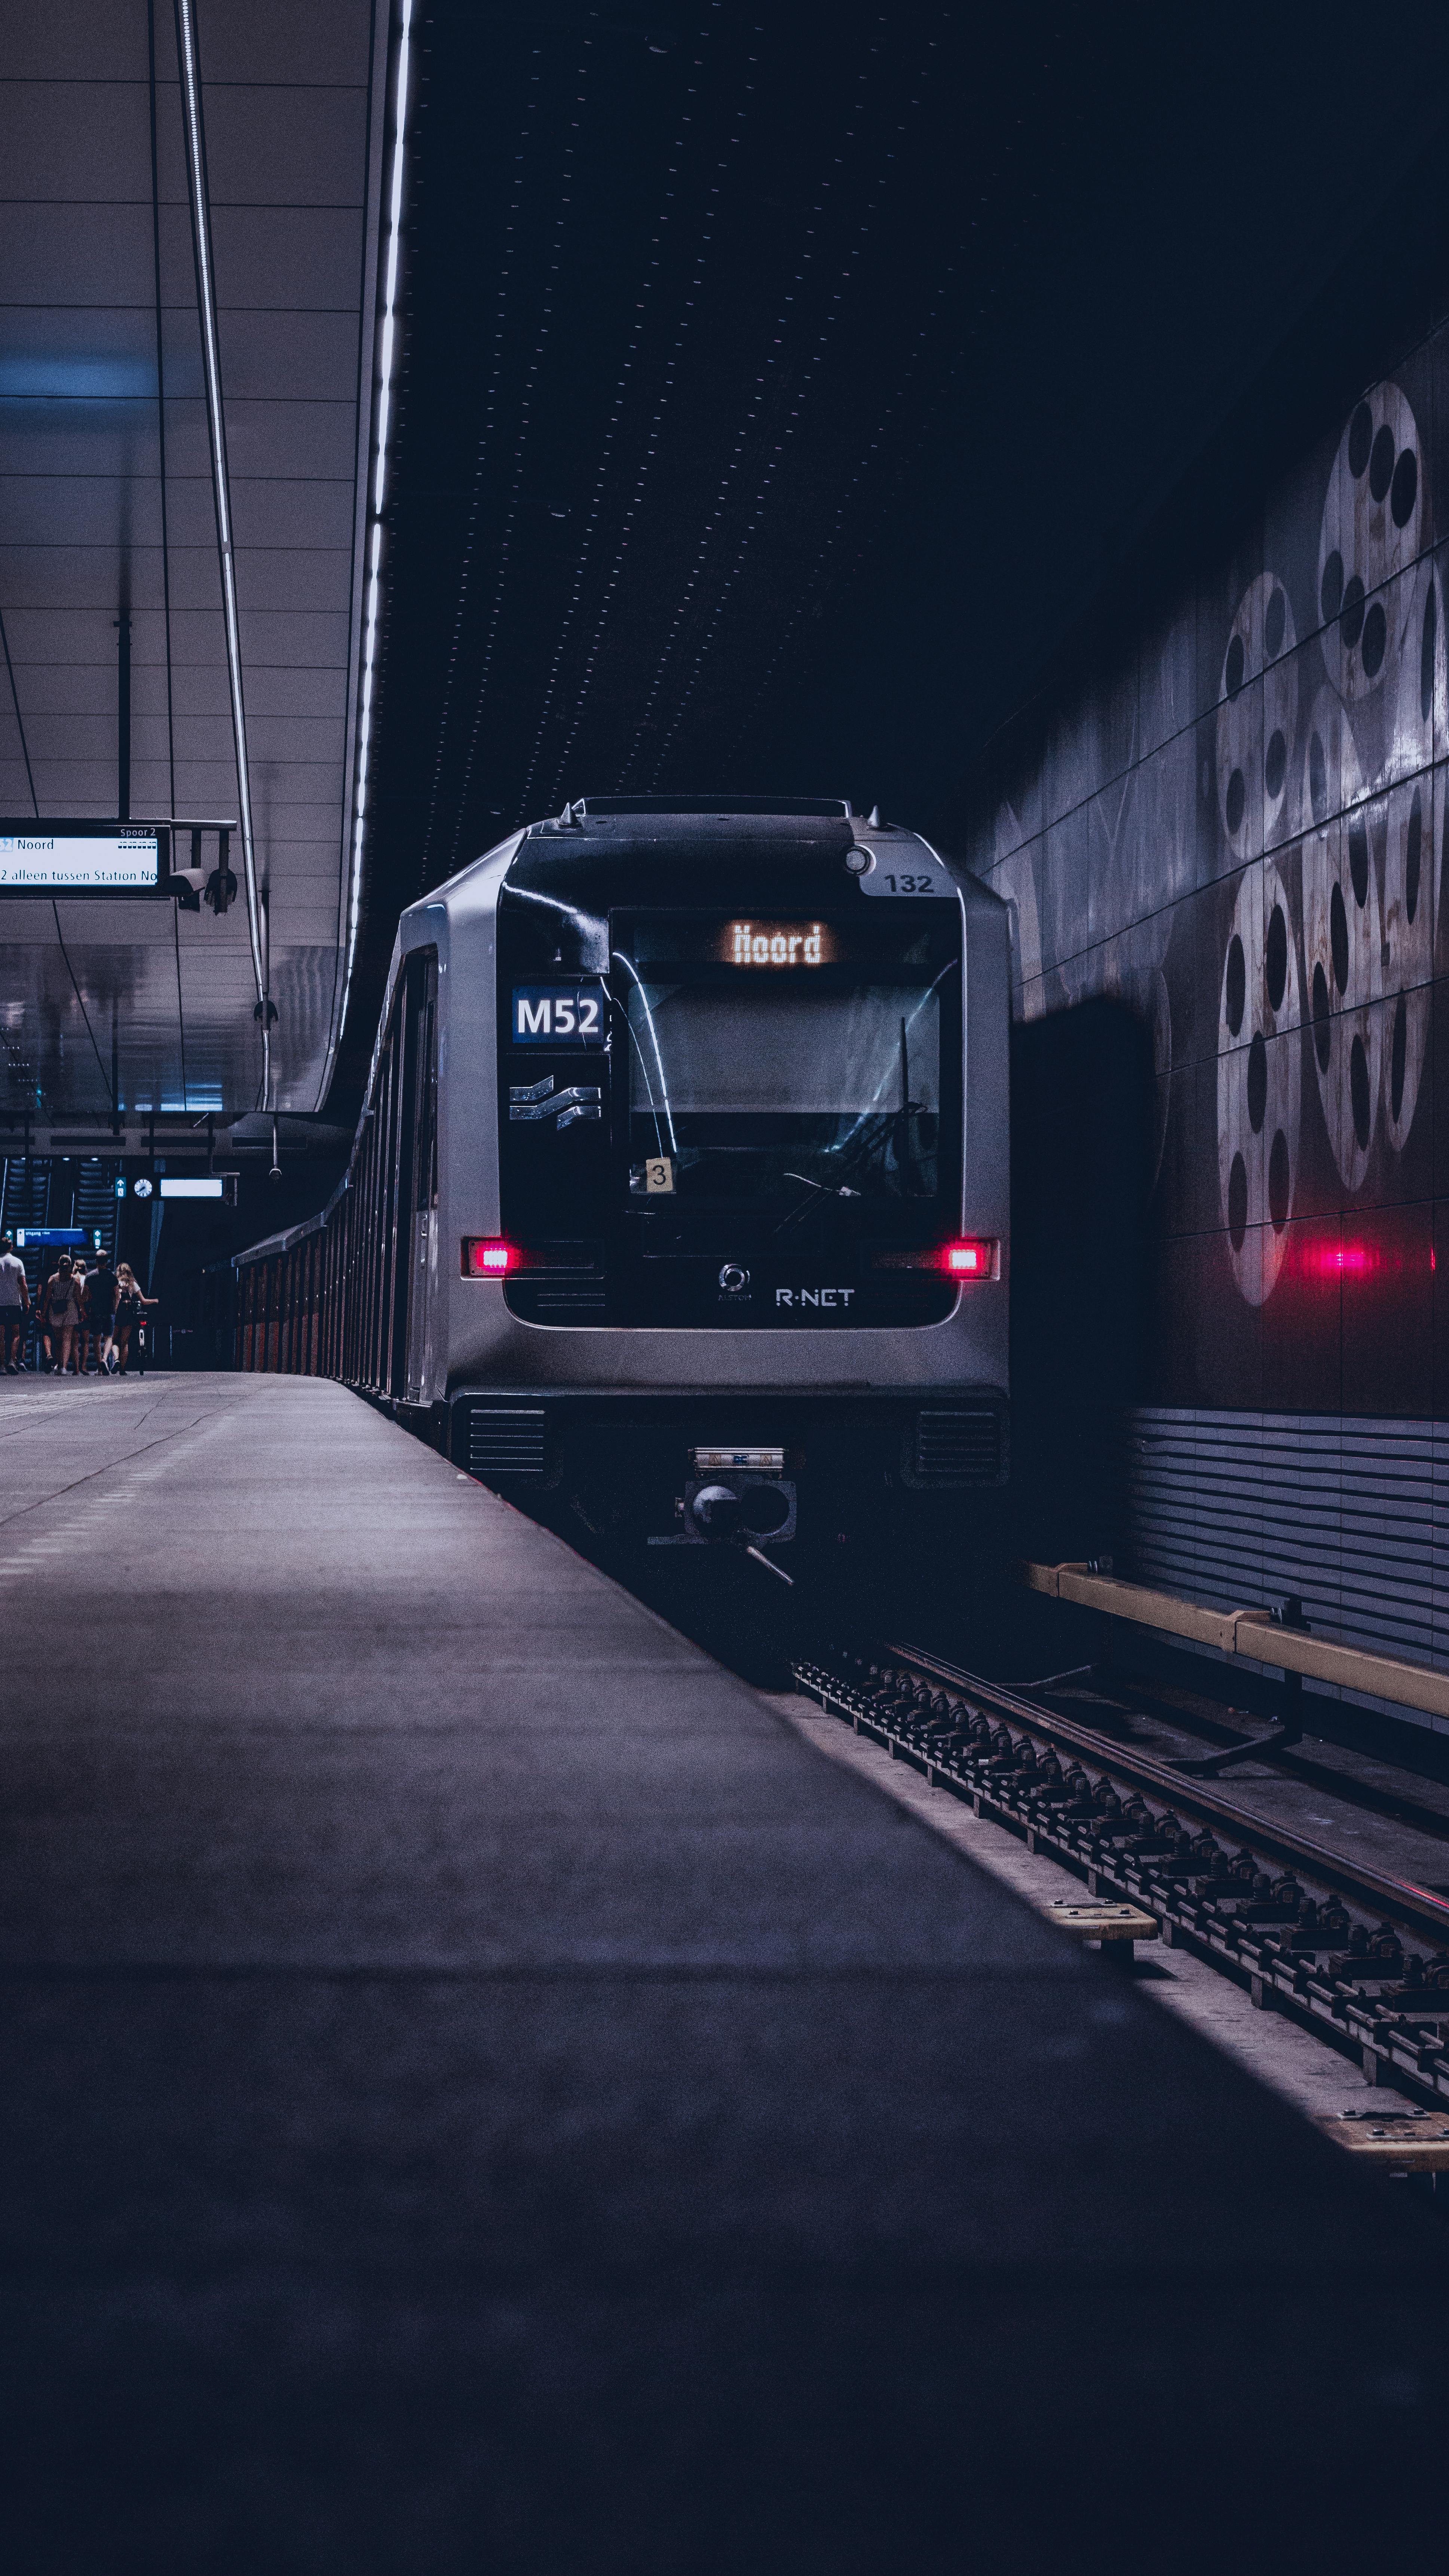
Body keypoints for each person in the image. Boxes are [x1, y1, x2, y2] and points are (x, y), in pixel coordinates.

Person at [110, 1263, 157, 1376]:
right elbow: (144, 1301)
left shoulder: (116, 1283)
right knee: (125, 1342)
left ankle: (116, 1360)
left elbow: (114, 1299)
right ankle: (122, 1369)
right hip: (129, 1314)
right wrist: (156, 1301)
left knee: (115, 1341)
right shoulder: (133, 1284)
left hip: (119, 1313)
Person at [42, 1256, 81, 1375]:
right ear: (70, 1266)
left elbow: (47, 1298)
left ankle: (59, 1364)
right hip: (70, 1308)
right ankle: (64, 1367)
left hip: (56, 1309)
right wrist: (82, 1311)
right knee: (67, 1339)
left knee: (58, 1339)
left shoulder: (52, 1279)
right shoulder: (75, 1280)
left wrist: (43, 1313)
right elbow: (78, 1298)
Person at [0, 1231, 28, 1373]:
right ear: (11, 1247)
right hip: (14, 1303)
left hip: (0, 1303)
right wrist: (27, 1301)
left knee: (1, 1335)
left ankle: (1, 1365)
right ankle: (12, 1360)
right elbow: (23, 1284)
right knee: (16, 1334)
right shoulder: (18, 1263)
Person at [88, 1249, 118, 1376]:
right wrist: (115, 1309)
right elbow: (117, 1295)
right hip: (109, 1310)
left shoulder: (90, 1277)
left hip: (95, 1311)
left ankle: (100, 1368)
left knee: (96, 1338)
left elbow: (86, 1296)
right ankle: (105, 1359)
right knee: (109, 1337)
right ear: (107, 1262)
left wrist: (85, 1309)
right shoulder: (112, 1277)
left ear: (96, 1261)